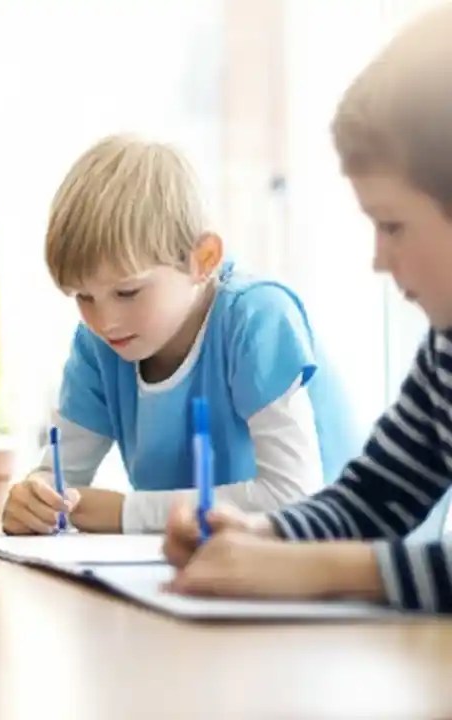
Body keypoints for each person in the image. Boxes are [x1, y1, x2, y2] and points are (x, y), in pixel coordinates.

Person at [164, 3, 452, 613]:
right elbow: (373, 498)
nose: (379, 259)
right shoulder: (446, 346)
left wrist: (318, 569)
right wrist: (261, 536)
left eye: (394, 226)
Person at [2, 135, 361, 535]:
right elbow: (61, 479)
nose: (104, 321)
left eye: (127, 292)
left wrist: (126, 513)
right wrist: (35, 497)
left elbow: (293, 496)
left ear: (203, 259)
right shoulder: (98, 346)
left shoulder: (257, 318)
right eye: (84, 296)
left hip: (334, 560)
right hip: (206, 565)